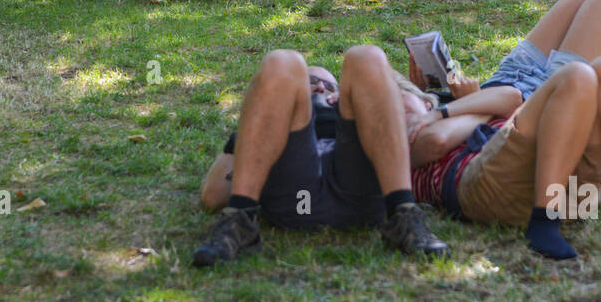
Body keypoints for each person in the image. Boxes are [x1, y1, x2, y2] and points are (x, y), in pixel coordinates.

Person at [406, 0, 601, 259]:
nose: (407, 102)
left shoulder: (430, 116)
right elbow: (502, 104)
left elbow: (504, 98)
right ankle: (544, 218)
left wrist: (435, 94)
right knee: (586, 66)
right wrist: (456, 106)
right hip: (527, 109)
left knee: (594, 1)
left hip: (510, 87)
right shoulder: (416, 139)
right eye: (405, 103)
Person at [192, 47, 450, 266]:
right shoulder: (269, 127)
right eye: (308, 84)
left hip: (359, 191)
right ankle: (240, 221)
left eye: (327, 85)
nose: (318, 87)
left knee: (366, 55)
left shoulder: (359, 112)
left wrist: (359, 106)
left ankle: (403, 214)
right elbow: (213, 196)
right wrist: (256, 127)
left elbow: (415, 121)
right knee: (283, 60)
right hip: (294, 198)